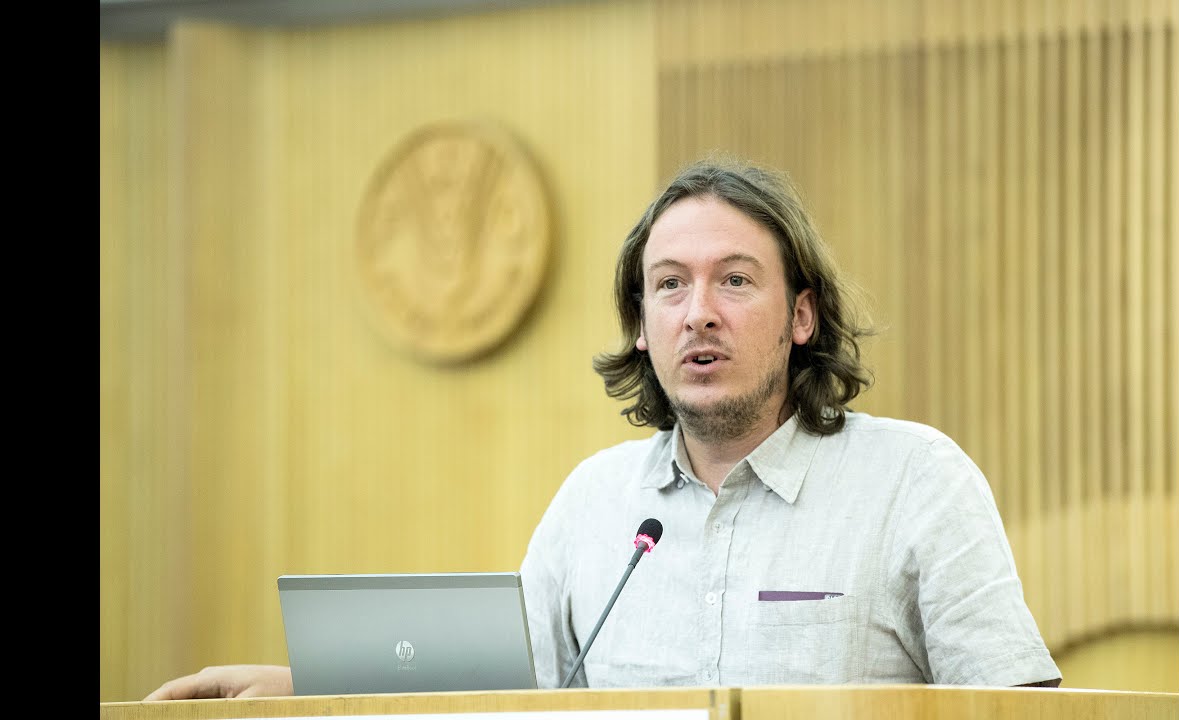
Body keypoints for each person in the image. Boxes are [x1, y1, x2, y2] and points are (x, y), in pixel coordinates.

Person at [144, 156, 1061, 700]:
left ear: (802, 317)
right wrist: (303, 693)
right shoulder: (597, 503)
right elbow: (495, 694)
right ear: (639, 324)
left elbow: (1027, 711)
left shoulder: (916, 482)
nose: (699, 312)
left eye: (735, 281)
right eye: (670, 285)